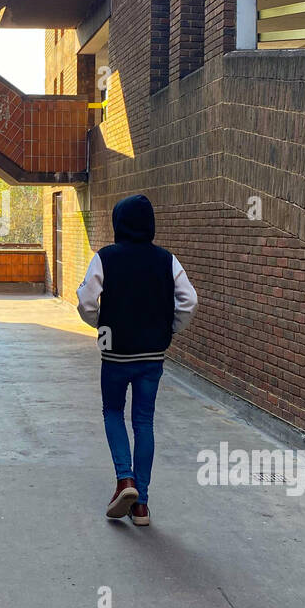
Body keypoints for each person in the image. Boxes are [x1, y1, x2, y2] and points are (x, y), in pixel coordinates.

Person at [76, 194, 197, 525]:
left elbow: (86, 301)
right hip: (152, 354)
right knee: (143, 422)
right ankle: (140, 504)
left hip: (115, 352)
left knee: (113, 412)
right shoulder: (166, 260)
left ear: (119, 223)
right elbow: (189, 300)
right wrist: (168, 329)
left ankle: (124, 479)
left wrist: (100, 324)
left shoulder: (105, 258)